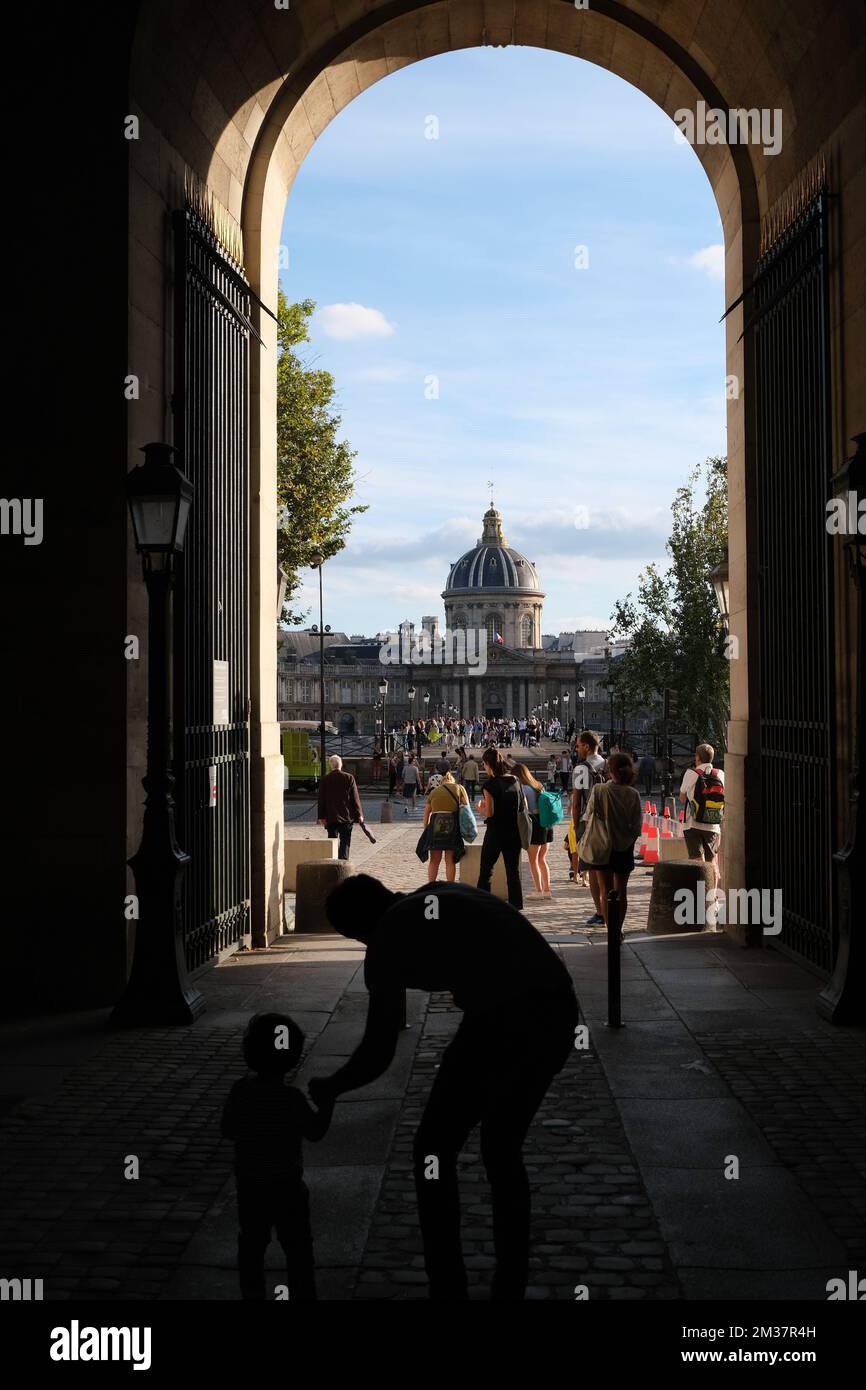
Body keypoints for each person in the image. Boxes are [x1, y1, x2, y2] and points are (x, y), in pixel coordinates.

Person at [312, 875, 579, 1300]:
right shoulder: (433, 892)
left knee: (433, 1149)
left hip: (506, 1018)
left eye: (358, 939)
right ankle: (510, 1280)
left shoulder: (387, 935)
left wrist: (332, 1087)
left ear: (362, 927)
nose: (367, 949)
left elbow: (378, 1051)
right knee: (501, 1150)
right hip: (555, 1008)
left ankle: (448, 1283)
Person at [221, 1012, 334, 1300]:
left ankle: (253, 1293)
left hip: (250, 1184)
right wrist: (327, 1105)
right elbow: (315, 1132)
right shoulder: (292, 1099)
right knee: (298, 1248)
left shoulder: (240, 1092)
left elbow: (228, 1130)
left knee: (252, 1245)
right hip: (287, 1186)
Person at [580, 752, 642, 936]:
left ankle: (611, 930)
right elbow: (637, 826)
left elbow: (587, 816)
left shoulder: (599, 790)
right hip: (624, 847)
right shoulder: (633, 794)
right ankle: (619, 929)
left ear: (610, 771)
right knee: (621, 891)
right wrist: (626, 839)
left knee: (605, 890)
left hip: (601, 846)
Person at [475, 749, 524, 909]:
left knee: (486, 871)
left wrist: (479, 808)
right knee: (513, 872)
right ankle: (516, 906)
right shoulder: (515, 780)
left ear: (488, 764)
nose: (483, 767)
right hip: (514, 832)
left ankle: (484, 905)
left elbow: (489, 812)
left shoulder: (489, 785)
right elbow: (522, 806)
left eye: (483, 764)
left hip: (495, 833)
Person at [680, 743, 725, 905]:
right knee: (711, 861)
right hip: (713, 824)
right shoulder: (720, 773)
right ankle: (712, 897)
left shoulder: (691, 773)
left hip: (693, 823)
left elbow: (682, 798)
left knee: (696, 860)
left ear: (697, 758)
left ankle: (699, 897)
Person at [571, 730, 608, 925]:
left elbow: (577, 802)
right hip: (609, 822)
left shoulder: (580, 769)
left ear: (586, 746)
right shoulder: (607, 765)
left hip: (589, 822)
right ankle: (610, 907)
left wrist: (577, 826)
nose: (576, 748)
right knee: (607, 868)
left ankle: (600, 912)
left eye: (578, 745)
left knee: (593, 870)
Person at [513, 762, 553, 898]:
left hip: (534, 824)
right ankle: (547, 890)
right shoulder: (538, 785)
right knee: (542, 858)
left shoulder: (522, 788)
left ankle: (538, 890)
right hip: (546, 823)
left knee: (533, 860)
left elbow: (523, 809)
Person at [423, 770, 469, 883]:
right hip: (452, 827)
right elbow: (466, 808)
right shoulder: (459, 788)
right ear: (452, 781)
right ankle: (450, 886)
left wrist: (426, 829)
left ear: (442, 782)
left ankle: (431, 885)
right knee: (450, 861)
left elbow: (426, 813)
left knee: (434, 860)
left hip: (436, 827)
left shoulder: (434, 792)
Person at [317, 754, 364, 859]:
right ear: (341, 764)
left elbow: (321, 800)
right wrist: (359, 814)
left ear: (330, 766)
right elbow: (355, 798)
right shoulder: (349, 777)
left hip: (331, 815)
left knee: (332, 841)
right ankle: (343, 861)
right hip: (346, 816)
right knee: (345, 841)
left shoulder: (325, 779)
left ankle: (333, 861)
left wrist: (321, 816)